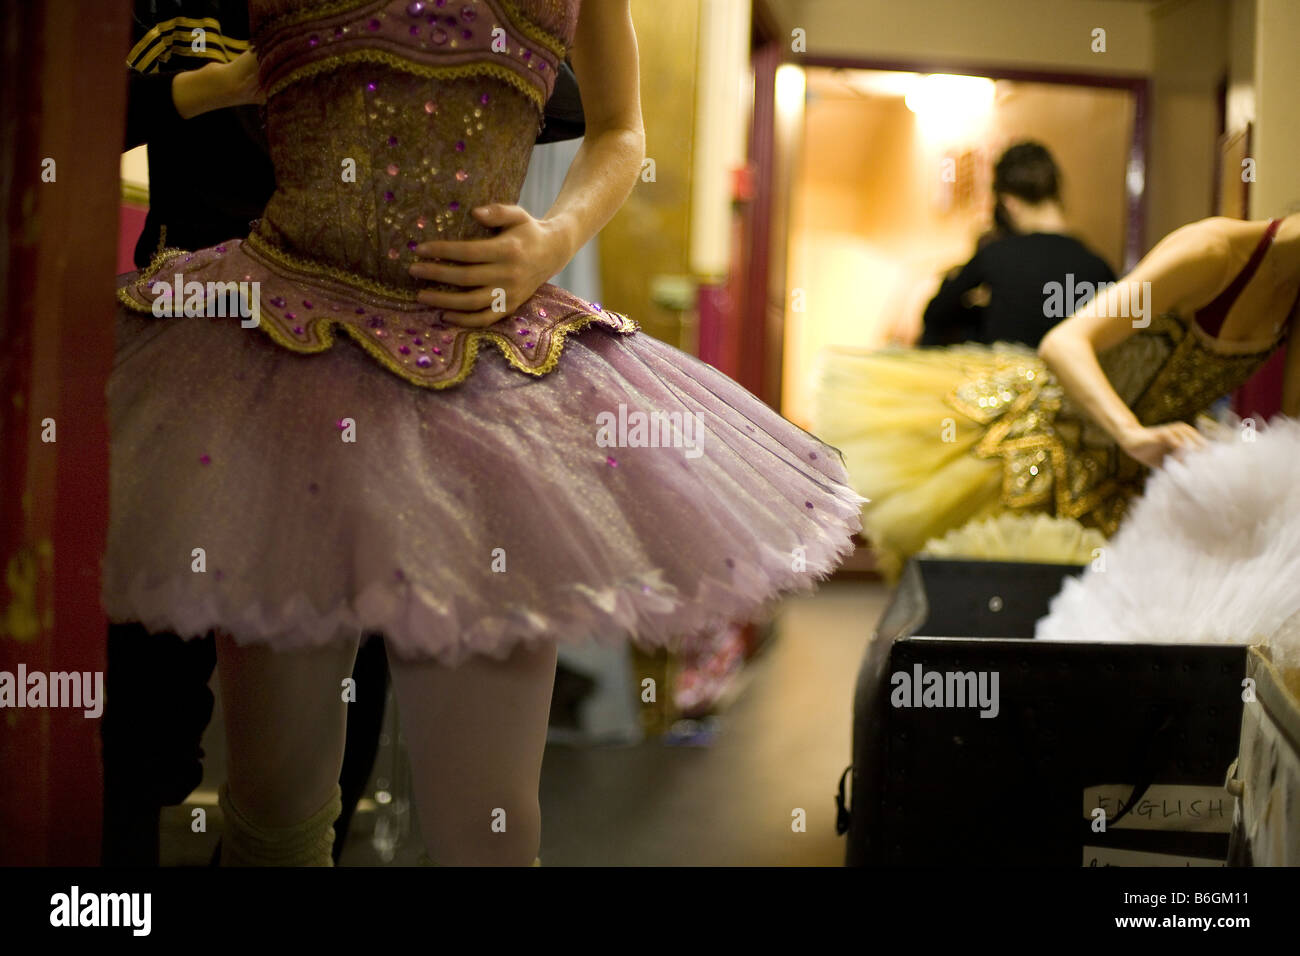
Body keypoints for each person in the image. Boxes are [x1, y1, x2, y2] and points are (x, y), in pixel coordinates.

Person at [106, 0, 864, 867]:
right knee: (274, 808)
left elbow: (621, 131)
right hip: (281, 346)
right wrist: (219, 83)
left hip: (484, 371)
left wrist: (554, 240)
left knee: (490, 825)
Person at [109, 0, 590, 866]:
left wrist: (554, 239)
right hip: (246, 344)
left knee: (476, 809)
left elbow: (601, 121)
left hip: (460, 358)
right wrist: (217, 85)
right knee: (205, 759)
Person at [814, 213, 1300, 580]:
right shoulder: (1214, 251)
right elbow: (1064, 342)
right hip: (1042, 441)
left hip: (1135, 479)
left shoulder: (1292, 290)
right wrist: (1132, 432)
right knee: (982, 619)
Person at [920, 141, 1117, 348]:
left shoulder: (996, 255)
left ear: (1009, 203)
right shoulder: (1098, 267)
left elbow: (934, 313)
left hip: (1003, 376)